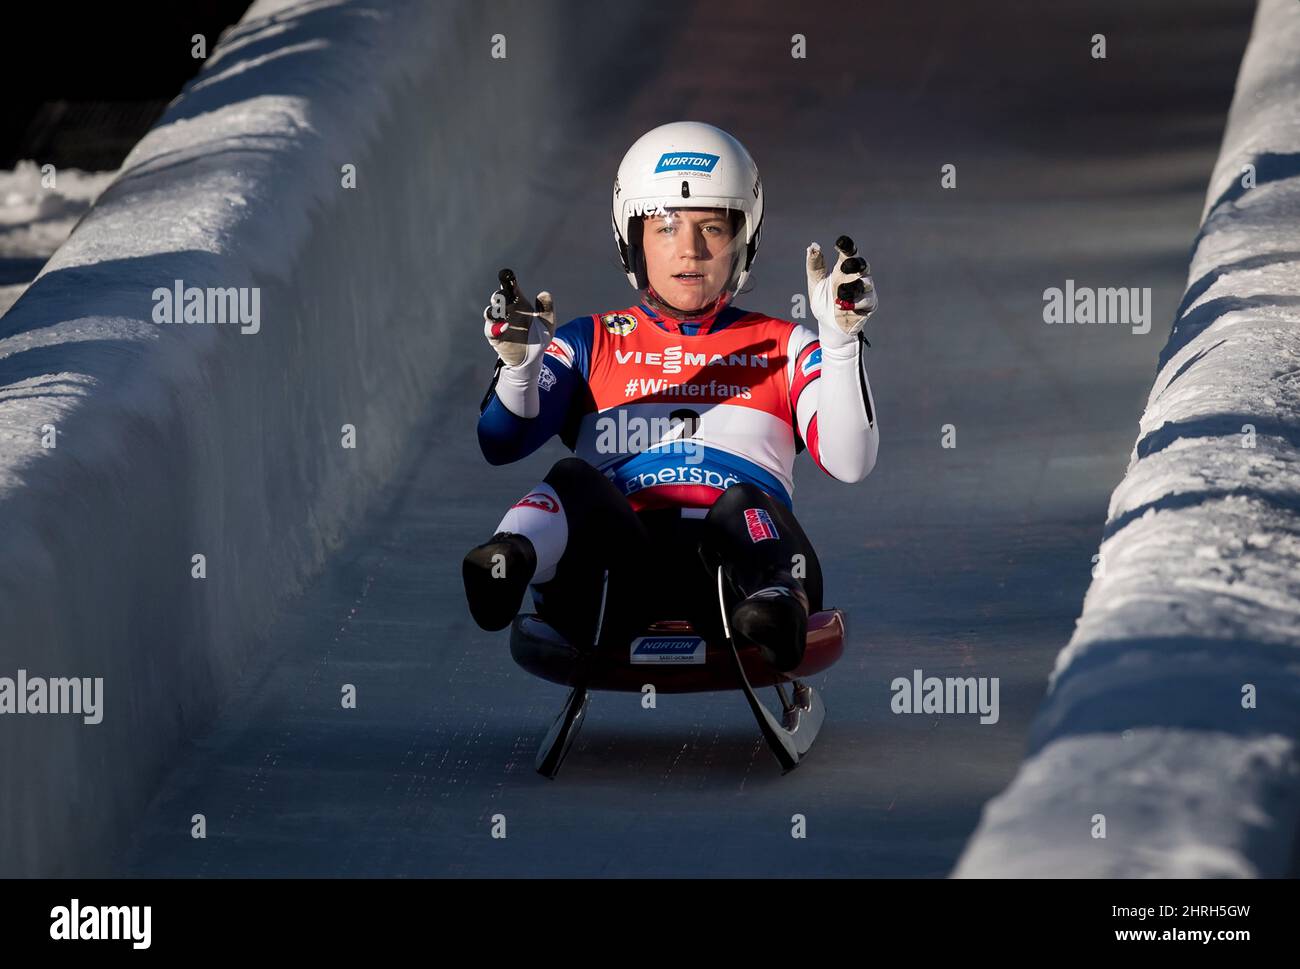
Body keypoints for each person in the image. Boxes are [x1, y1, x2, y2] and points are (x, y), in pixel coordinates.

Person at [462, 121, 879, 672]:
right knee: (573, 480)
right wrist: (518, 370)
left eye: (712, 228)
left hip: (731, 583)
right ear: (631, 240)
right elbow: (501, 442)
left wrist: (841, 343)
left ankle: (778, 603)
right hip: (611, 581)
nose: (690, 250)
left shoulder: (785, 344)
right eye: (665, 227)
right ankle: (509, 558)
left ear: (743, 241)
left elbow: (850, 462)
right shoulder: (588, 342)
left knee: (745, 505)